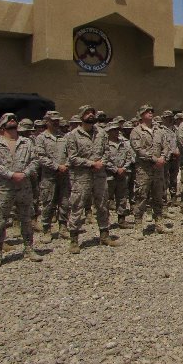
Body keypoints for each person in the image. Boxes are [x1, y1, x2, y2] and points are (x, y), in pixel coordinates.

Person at [0, 113, 43, 267]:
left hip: (24, 186)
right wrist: (11, 175)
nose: (12, 121)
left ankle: (29, 248)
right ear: (2, 125)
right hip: (5, 187)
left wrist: (24, 174)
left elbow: (35, 160)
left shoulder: (26, 142)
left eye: (14, 120)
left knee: (26, 218)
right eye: (9, 120)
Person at [65, 105, 121, 253]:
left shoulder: (101, 133)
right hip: (81, 176)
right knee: (77, 206)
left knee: (102, 205)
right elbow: (72, 158)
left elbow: (107, 151)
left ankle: (104, 235)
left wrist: (102, 162)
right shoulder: (73, 135)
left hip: (100, 175)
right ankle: (74, 240)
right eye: (87, 113)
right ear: (81, 116)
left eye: (92, 113)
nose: (90, 115)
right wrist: (91, 163)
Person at [129, 104, 171, 238]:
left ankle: (159, 223)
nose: (150, 113)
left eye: (152, 111)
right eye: (147, 112)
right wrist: (154, 159)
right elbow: (139, 150)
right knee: (141, 196)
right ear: (141, 115)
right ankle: (138, 226)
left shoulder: (159, 130)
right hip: (144, 170)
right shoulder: (136, 131)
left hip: (158, 169)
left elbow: (166, 146)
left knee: (158, 196)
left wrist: (163, 157)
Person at [35, 111, 71, 243]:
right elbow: (40, 156)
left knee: (65, 202)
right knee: (48, 203)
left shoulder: (64, 137)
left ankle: (63, 227)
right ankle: (46, 229)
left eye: (57, 120)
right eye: (53, 121)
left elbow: (70, 153)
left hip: (64, 175)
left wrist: (66, 165)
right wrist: (56, 166)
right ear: (47, 122)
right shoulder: (41, 138)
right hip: (49, 177)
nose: (56, 123)